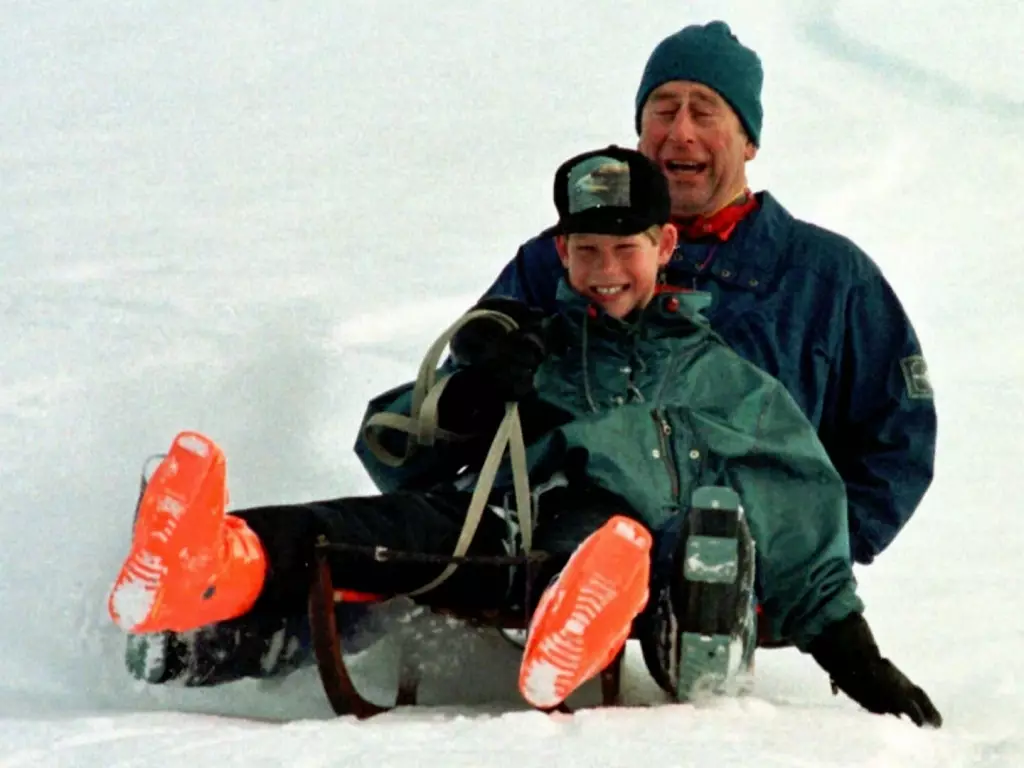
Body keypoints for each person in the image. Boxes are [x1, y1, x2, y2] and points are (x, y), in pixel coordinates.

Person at [108, 146, 940, 726]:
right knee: (381, 531)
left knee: (607, 528)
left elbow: (798, 504)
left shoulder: (722, 377)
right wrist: (468, 393)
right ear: (560, 252)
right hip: (498, 528)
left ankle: (582, 615)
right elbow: (391, 444)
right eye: (585, 251)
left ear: (664, 245)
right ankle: (211, 565)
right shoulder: (539, 342)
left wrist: (854, 657)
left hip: (624, 555)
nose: (605, 269)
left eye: (625, 248)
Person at [479, 21, 936, 567]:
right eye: (665, 110)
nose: (681, 133)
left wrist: (815, 556)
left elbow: (897, 437)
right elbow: (451, 400)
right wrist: (488, 363)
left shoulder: (831, 278)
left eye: (705, 111)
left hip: (734, 570)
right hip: (560, 549)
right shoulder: (555, 258)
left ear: (749, 140)